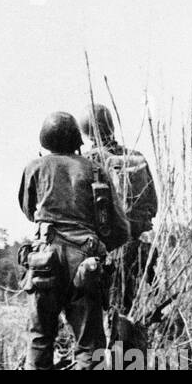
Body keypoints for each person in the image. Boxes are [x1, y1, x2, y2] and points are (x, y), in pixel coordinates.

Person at [19, 111, 129, 370]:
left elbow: (28, 209)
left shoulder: (34, 167)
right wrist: (98, 245)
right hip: (86, 261)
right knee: (90, 347)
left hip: (44, 260)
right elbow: (120, 228)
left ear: (45, 140)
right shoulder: (95, 170)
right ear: (77, 140)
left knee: (40, 338)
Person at [80, 103, 158, 315]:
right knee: (127, 309)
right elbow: (153, 204)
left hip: (105, 248)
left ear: (86, 132)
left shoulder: (87, 162)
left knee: (101, 313)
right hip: (138, 244)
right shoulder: (138, 157)